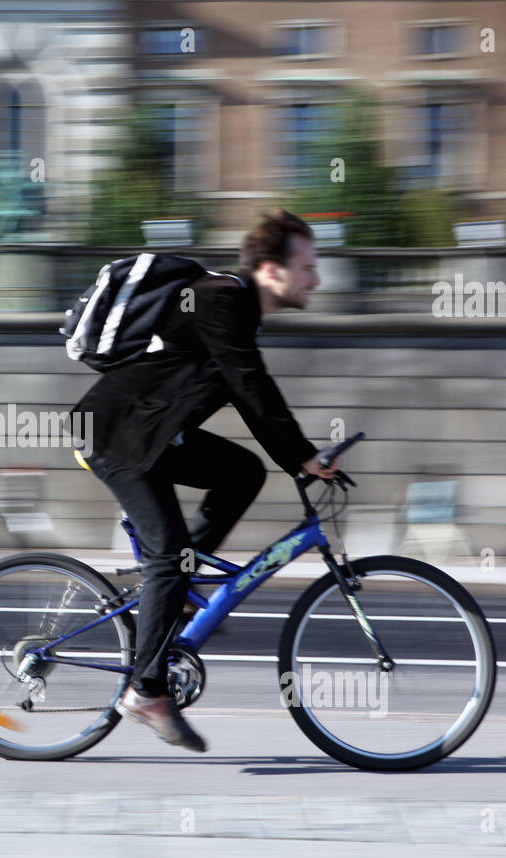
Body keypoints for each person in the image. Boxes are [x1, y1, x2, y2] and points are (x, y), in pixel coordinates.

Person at [70, 208, 339, 752]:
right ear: (272, 268)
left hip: (152, 436)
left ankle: (178, 590)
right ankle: (145, 690)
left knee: (242, 471)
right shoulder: (222, 297)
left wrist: (296, 457)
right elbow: (250, 385)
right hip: (115, 437)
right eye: (307, 266)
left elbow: (245, 388)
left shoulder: (234, 308)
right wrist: (304, 457)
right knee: (166, 557)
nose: (317, 278)